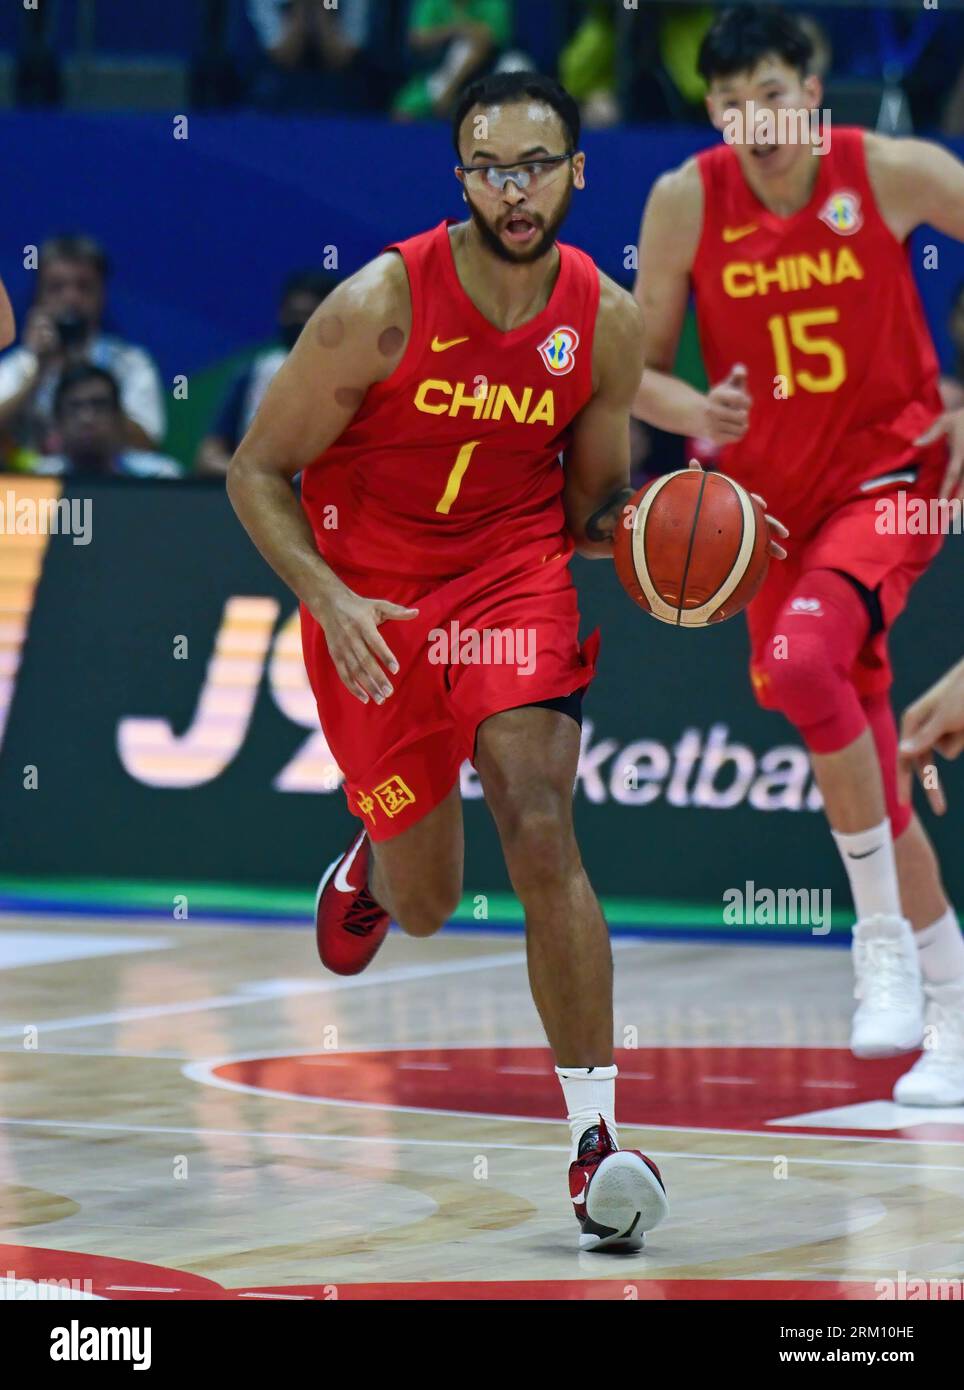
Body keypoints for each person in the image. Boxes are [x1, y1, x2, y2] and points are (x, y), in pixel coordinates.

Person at [228, 71, 777, 1250]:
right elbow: (255, 472)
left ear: (578, 170)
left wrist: (694, 532)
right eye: (489, 165)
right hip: (374, 602)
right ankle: (373, 869)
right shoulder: (376, 304)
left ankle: (596, 1142)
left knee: (539, 818)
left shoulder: (607, 320)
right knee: (425, 902)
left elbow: (591, 511)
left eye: (536, 164)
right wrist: (326, 599)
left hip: (510, 580)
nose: (513, 188)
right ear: (460, 176)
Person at [632, 3, 964, 1104]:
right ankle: (953, 1006)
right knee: (854, 733)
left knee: (814, 665)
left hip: (892, 482)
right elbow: (631, 372)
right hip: (769, 513)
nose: (752, 121)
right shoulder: (685, 201)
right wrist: (700, 407)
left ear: (811, 93)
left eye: (770, 96)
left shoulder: (891, 172)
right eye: (728, 104)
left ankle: (873, 939)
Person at [0, 235, 165, 468]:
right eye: (57, 288)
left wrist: (82, 372)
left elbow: (148, 443)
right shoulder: (19, 366)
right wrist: (36, 377)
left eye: (84, 287)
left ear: (102, 295)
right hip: (35, 493)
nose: (71, 298)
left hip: (113, 488)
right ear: (39, 296)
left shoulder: (131, 363)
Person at [196, 271, 337, 477]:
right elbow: (208, 455)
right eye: (293, 314)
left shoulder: (355, 375)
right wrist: (250, 478)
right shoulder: (253, 373)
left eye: (308, 315)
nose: (298, 322)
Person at [32, 365, 181, 479]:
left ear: (118, 417)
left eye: (99, 405)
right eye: (75, 407)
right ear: (58, 421)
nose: (87, 418)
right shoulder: (36, 480)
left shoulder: (160, 477)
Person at [393, 0, 511, 121]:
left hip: (488, 71)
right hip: (443, 70)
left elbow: (488, 40)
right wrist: (453, 30)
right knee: (404, 111)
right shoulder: (432, 3)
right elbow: (417, 40)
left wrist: (450, 91)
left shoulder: (493, 4)